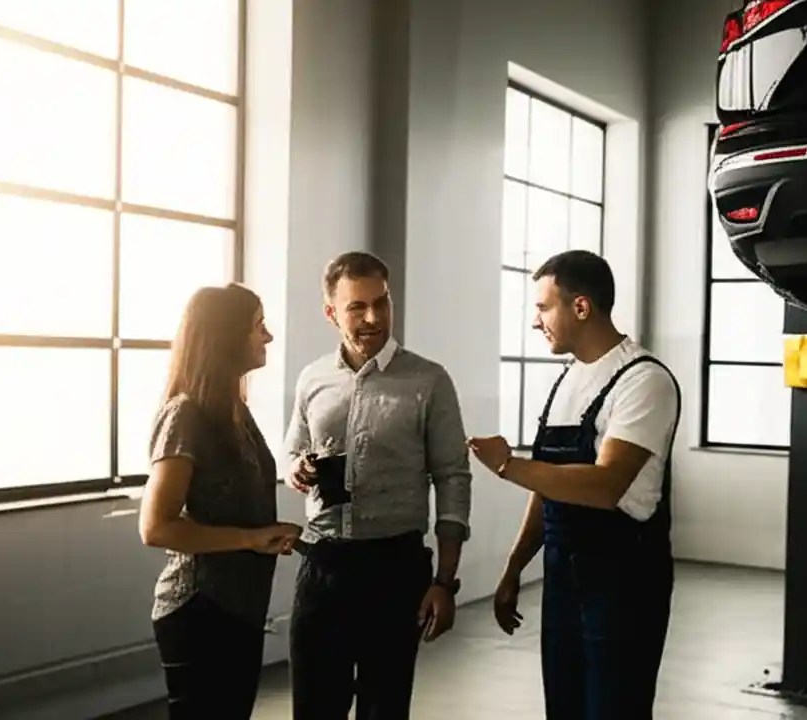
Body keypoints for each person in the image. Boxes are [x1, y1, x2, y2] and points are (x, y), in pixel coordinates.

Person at [468, 250, 681, 720]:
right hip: (566, 578)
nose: (535, 322)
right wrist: (513, 569)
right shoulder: (567, 381)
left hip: (624, 582)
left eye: (543, 308)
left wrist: (508, 465)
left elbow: (606, 484)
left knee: (613, 708)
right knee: (563, 706)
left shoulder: (644, 381)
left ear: (581, 307)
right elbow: (551, 488)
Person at [283, 251, 472, 720]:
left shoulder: (429, 380)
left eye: (382, 303)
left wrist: (444, 582)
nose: (373, 317)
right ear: (331, 313)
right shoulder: (313, 379)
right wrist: (296, 470)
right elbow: (290, 454)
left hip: (395, 569)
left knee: (383, 710)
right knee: (314, 708)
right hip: (323, 563)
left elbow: (453, 478)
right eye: (357, 307)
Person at [137, 283, 303, 720]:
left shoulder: (235, 410)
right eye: (258, 326)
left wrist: (265, 535)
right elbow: (156, 527)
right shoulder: (185, 414)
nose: (267, 337)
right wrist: (250, 538)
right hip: (200, 611)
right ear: (226, 335)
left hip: (239, 610)